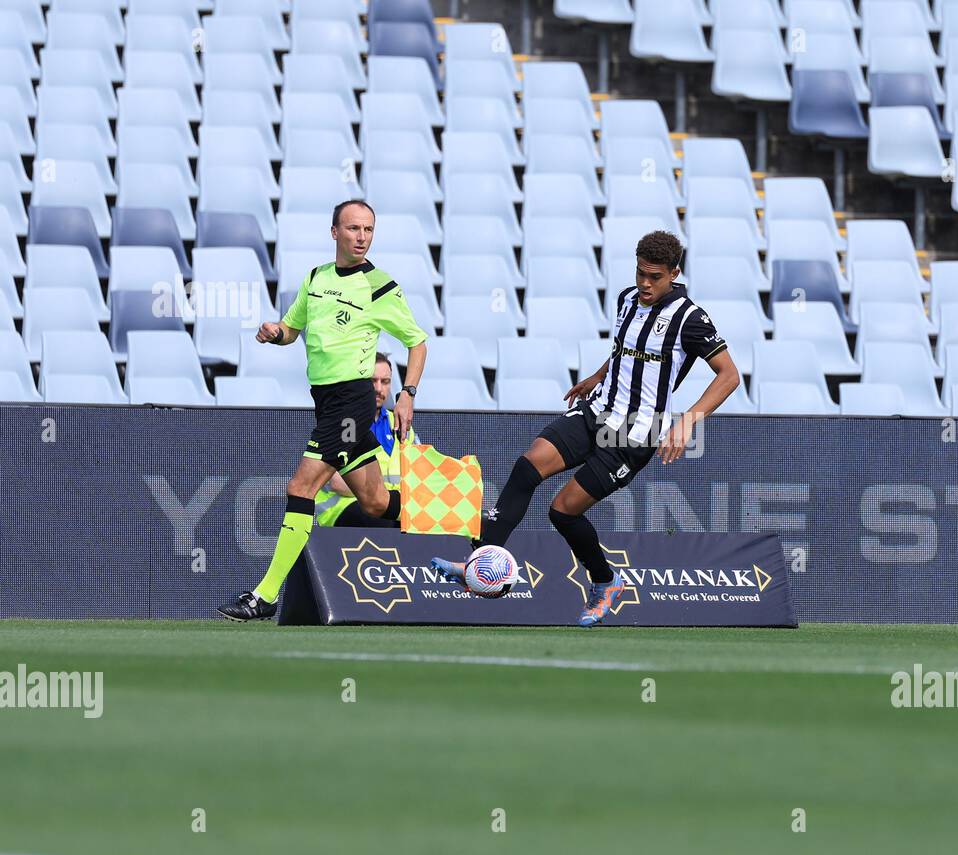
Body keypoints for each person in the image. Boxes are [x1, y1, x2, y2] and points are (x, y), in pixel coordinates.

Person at [433, 231, 740, 627]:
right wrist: (597, 375)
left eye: (655, 277)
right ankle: (478, 560)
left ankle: (605, 581)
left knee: (562, 512)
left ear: (674, 274)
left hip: (633, 433)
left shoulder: (690, 319)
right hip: (597, 411)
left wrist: (688, 420)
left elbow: (728, 375)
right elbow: (625, 352)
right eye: (640, 273)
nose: (645, 283)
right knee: (527, 467)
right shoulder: (627, 299)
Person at [219, 200, 429, 621]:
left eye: (368, 229)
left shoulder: (381, 286)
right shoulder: (315, 279)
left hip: (350, 402)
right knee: (373, 502)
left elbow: (418, 342)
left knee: (301, 488)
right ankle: (452, 515)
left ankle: (266, 594)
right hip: (326, 402)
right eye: (353, 228)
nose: (362, 237)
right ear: (335, 232)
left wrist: (406, 393)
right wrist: (274, 332)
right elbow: (291, 330)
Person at [315, 352, 419, 529]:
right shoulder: (344, 423)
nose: (379, 389)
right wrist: (386, 496)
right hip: (342, 509)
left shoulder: (401, 423)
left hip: (390, 506)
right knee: (381, 518)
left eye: (385, 382)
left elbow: (418, 476)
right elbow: (338, 482)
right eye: (373, 381)